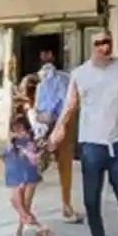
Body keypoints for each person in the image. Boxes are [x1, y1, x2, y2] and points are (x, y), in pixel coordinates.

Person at [50, 30, 118, 236]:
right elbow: (70, 105)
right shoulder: (80, 74)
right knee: (91, 198)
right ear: (91, 46)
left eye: (108, 42)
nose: (105, 47)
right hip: (91, 144)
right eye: (99, 43)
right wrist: (59, 128)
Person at [34, 49, 82, 224]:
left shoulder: (62, 79)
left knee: (43, 165)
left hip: (53, 123)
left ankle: (64, 205)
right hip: (54, 124)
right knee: (49, 165)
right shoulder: (55, 79)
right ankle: (65, 206)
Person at [4, 113, 51, 236]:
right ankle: (38, 228)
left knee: (25, 204)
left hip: (29, 174)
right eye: (15, 128)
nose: (18, 131)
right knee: (18, 203)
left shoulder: (31, 140)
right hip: (16, 174)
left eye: (20, 128)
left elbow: (38, 154)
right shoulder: (12, 142)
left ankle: (22, 232)